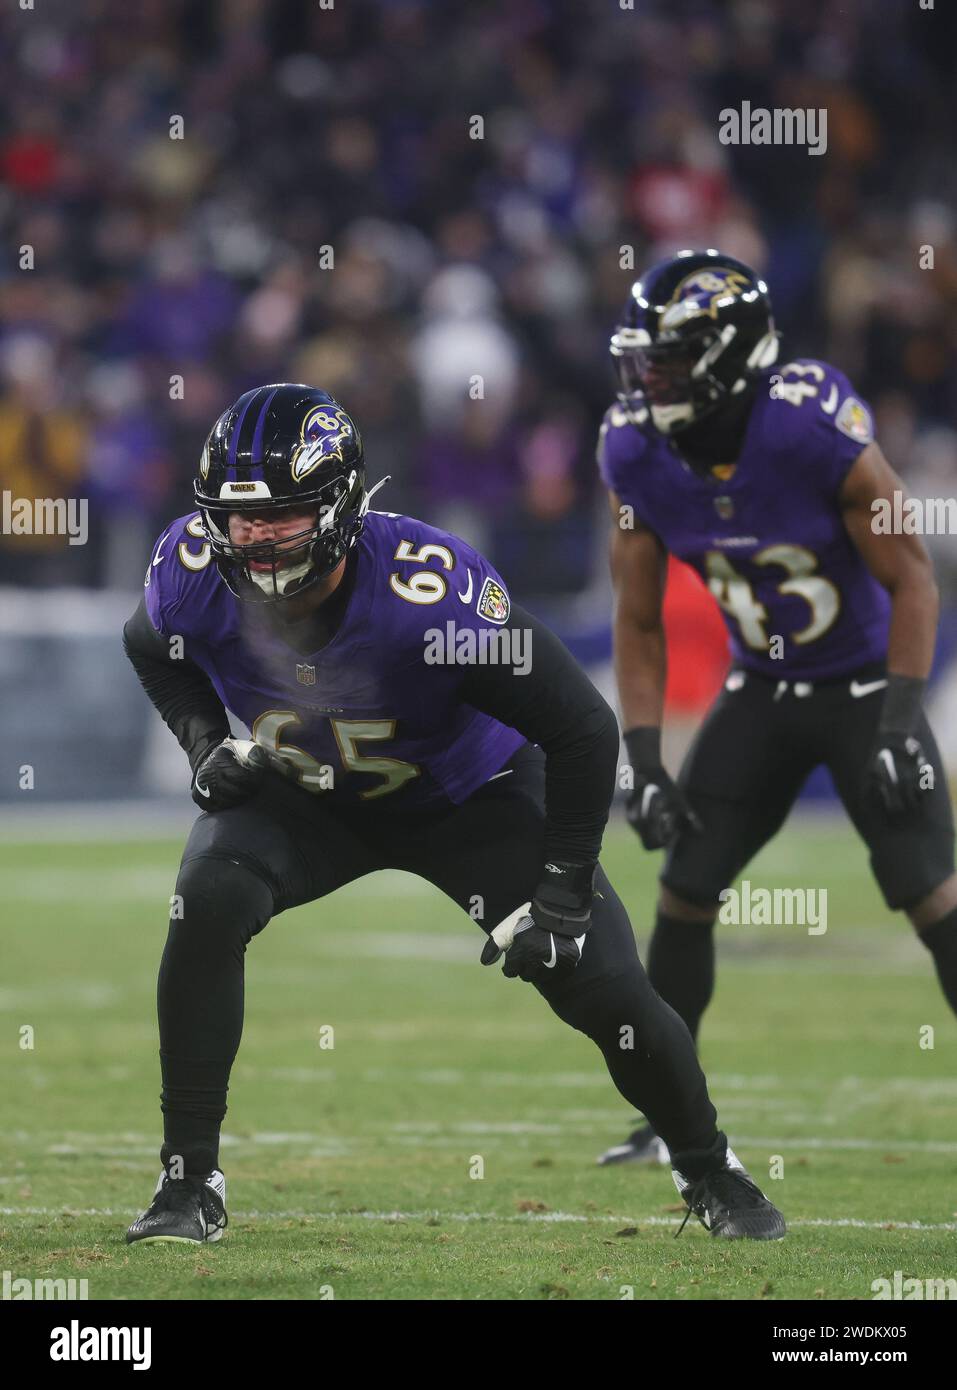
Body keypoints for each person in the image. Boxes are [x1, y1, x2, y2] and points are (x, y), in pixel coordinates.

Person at [121, 382, 785, 1241]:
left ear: (337, 504)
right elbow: (153, 649)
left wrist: (562, 893)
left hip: (469, 794)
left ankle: (708, 1168)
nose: (253, 536)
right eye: (237, 516)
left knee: (602, 989)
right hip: (307, 793)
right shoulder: (193, 572)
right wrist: (205, 740)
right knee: (205, 899)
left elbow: (581, 728)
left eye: (281, 513)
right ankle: (186, 1184)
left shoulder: (427, 593)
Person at [596, 250, 956, 1167]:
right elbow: (636, 620)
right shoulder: (635, 448)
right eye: (645, 359)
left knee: (929, 893)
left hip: (865, 682)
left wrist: (899, 719)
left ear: (729, 355)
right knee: (683, 888)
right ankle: (668, 1120)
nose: (650, 379)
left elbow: (912, 578)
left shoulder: (806, 427)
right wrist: (641, 758)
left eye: (669, 360)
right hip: (759, 686)